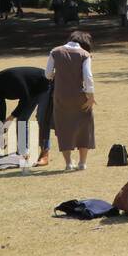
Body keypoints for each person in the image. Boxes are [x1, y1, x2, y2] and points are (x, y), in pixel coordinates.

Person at [0, 67, 53, 166]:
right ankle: (23, 153)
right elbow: (0, 111)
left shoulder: (12, 78)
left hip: (45, 86)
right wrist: (2, 134)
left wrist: (11, 117)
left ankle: (45, 154)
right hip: (31, 91)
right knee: (21, 119)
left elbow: (25, 99)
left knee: (42, 118)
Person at [46, 30, 97, 171]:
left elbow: (48, 74)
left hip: (60, 95)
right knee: (84, 127)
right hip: (80, 96)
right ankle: (82, 163)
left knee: (64, 128)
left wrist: (57, 74)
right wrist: (91, 96)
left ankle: (68, 163)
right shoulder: (85, 55)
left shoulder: (54, 52)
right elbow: (88, 77)